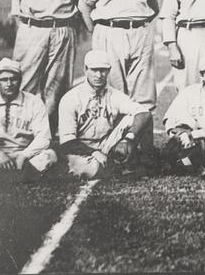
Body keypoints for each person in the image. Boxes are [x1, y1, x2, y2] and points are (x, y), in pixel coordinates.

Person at [78, 0, 160, 143]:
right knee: (112, 91)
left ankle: (144, 152)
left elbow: (154, 6)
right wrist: (95, 30)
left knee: (144, 94)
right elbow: (84, 5)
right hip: (108, 31)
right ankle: (116, 149)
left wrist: (139, 23)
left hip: (139, 30)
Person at [11, 0, 83, 126]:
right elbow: (16, 7)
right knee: (26, 81)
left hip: (62, 28)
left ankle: (50, 135)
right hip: (31, 28)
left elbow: (83, 4)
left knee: (58, 85)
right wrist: (25, 29)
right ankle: (23, 132)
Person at [57, 50, 151, 179]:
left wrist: (127, 139)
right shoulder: (71, 98)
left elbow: (144, 113)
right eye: (94, 70)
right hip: (81, 149)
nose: (99, 75)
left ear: (109, 70)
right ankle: (121, 165)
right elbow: (68, 142)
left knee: (136, 118)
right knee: (88, 168)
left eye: (103, 70)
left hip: (107, 143)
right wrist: (94, 152)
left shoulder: (114, 95)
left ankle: (147, 160)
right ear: (85, 69)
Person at [0, 58, 57, 181]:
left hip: (26, 153)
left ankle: (5, 175)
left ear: (20, 81)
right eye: (4, 80)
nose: (9, 84)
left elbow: (44, 138)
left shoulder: (34, 102)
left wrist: (24, 155)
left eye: (13, 79)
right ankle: (21, 175)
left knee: (50, 155)